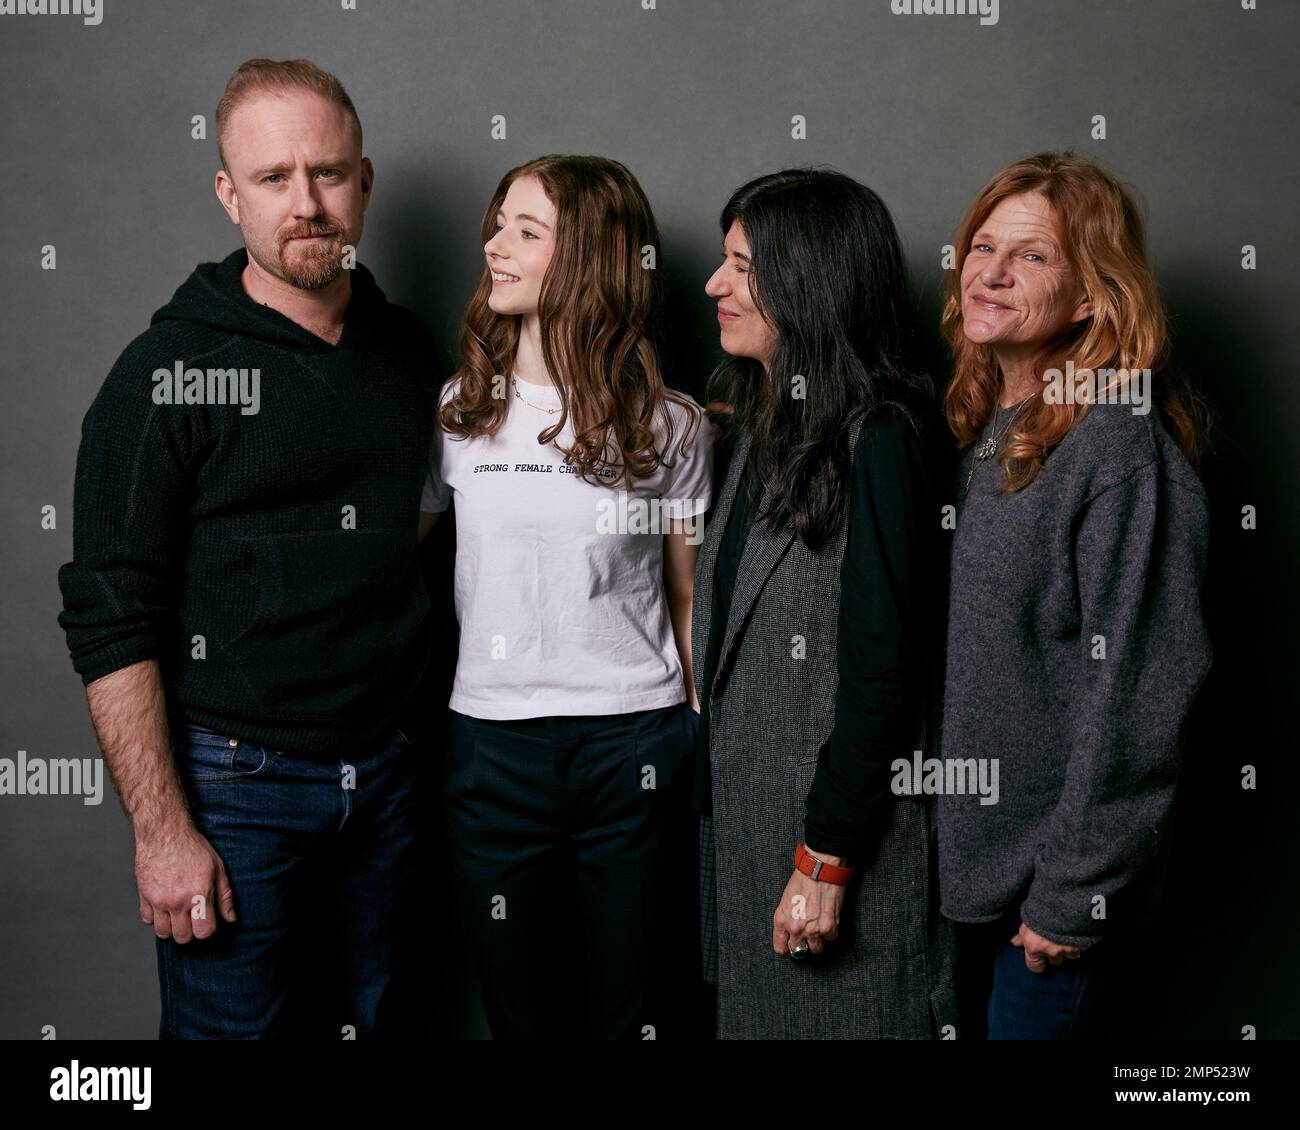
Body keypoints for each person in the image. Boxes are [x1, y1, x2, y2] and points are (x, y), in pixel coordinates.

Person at [56, 58, 437, 1039]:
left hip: (390, 781)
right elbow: (110, 612)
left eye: (326, 172)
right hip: (235, 787)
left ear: (365, 179)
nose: (305, 203)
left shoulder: (411, 361)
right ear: (229, 194)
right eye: (273, 178)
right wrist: (162, 829)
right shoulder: (167, 375)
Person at [418, 155, 713, 1040]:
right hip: (490, 752)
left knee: (638, 1014)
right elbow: (395, 573)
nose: (494, 245)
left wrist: (698, 728)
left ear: (587, 258)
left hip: (636, 749)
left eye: (526, 231)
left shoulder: (672, 424)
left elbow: (686, 593)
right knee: (522, 1017)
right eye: (498, 222)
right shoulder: (458, 412)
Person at [937, 152, 1213, 1039]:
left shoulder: (1115, 444)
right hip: (969, 886)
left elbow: (1142, 684)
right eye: (983, 247)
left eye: (1034, 257)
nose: (993, 273)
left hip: (1050, 907)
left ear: (1093, 297)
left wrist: (1075, 893)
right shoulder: (986, 428)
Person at [693, 168, 957, 1039]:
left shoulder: (882, 436)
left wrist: (825, 858)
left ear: (810, 280)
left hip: (831, 857)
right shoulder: (763, 420)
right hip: (746, 842)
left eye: (741, 266)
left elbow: (885, 674)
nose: (713, 285)